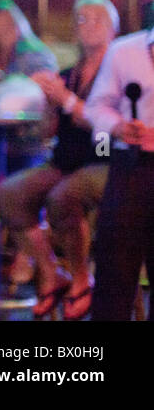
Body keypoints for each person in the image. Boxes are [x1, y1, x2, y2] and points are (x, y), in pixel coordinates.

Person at [0, 0, 116, 319]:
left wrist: (64, 99)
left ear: (113, 30)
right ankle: (50, 272)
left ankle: (81, 279)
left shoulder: (119, 73)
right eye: (81, 18)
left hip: (105, 162)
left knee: (63, 196)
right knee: (9, 193)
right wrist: (45, 101)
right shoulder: (67, 73)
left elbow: (105, 123)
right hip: (65, 161)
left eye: (96, 18)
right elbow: (49, 132)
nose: (87, 25)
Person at [84, 20, 154, 320]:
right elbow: (96, 107)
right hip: (131, 168)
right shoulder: (124, 49)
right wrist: (119, 126)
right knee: (115, 274)